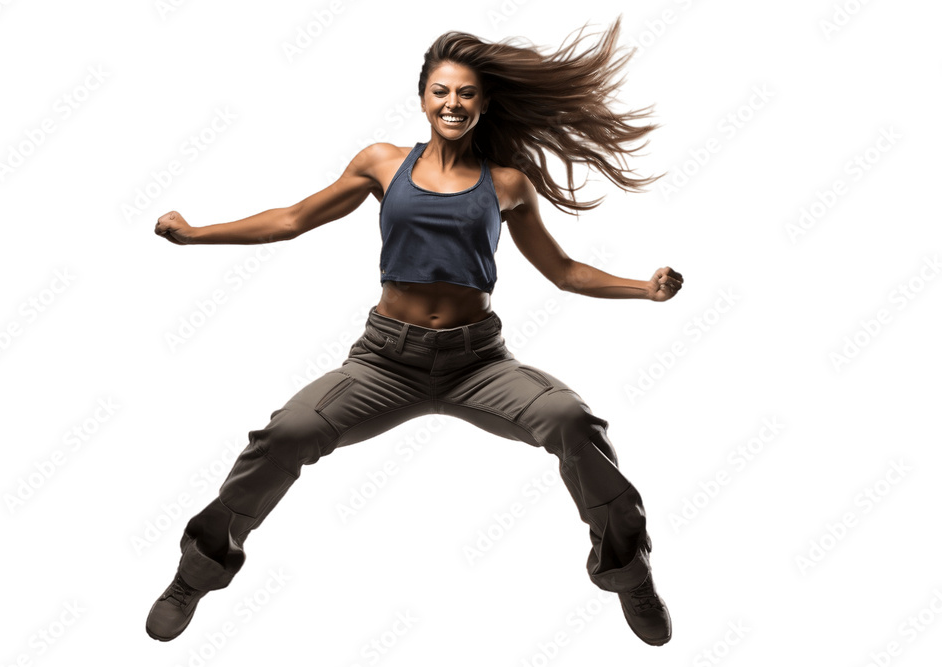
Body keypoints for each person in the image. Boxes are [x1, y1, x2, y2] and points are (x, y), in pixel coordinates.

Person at [147, 17, 683, 647]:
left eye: (466, 94)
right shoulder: (382, 163)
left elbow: (563, 271)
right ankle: (198, 569)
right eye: (441, 92)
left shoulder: (507, 183)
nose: (453, 104)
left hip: (478, 364)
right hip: (384, 362)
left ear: (483, 104)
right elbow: (292, 219)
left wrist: (642, 288)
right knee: (283, 435)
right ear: (423, 97)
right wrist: (194, 232)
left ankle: (627, 571)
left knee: (572, 421)